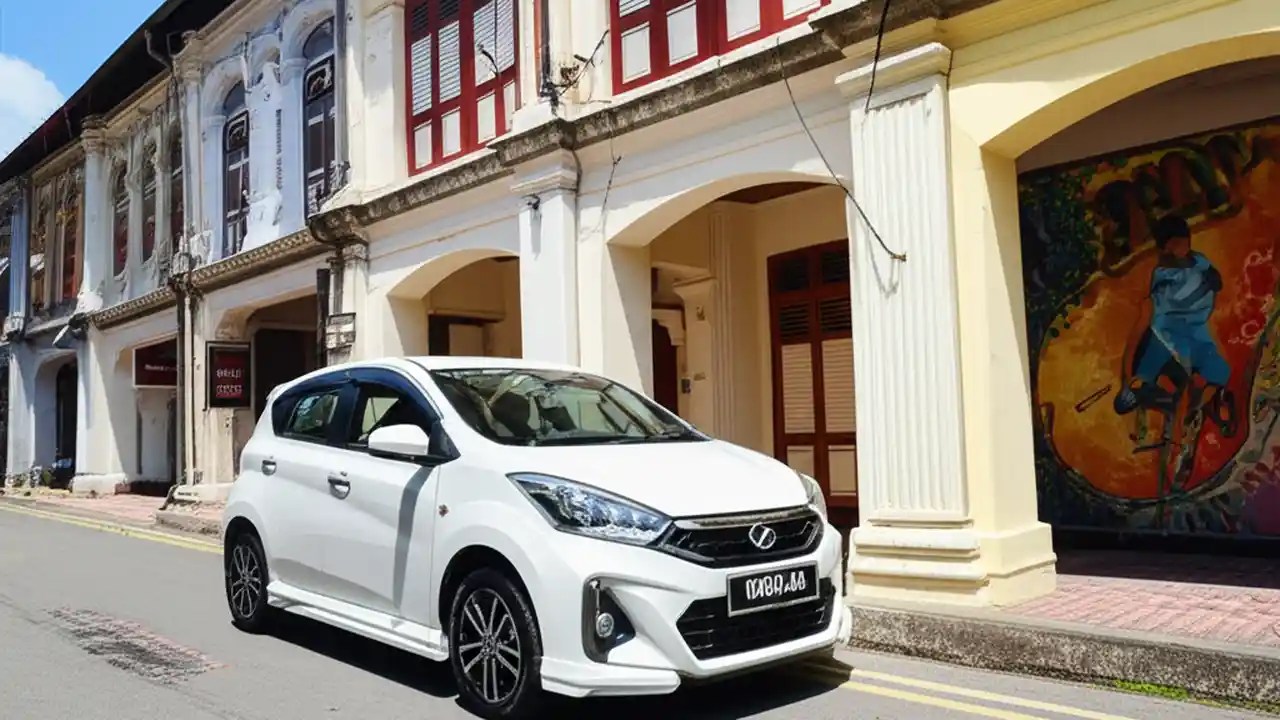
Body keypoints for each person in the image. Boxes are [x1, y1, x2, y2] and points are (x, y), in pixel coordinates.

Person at [1115, 214, 1229, 455]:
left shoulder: (1199, 262)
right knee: (1174, 382)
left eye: (1181, 241)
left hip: (1196, 338)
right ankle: (1174, 433)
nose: (1178, 248)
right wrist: (1126, 381)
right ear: (1165, 247)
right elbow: (1139, 330)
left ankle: (1193, 412)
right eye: (1172, 244)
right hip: (1165, 343)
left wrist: (1214, 279)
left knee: (1219, 373)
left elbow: (1212, 276)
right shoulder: (1163, 278)